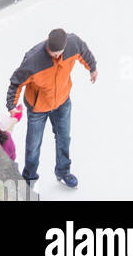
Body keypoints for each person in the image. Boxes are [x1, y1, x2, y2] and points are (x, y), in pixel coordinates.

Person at [6, 27, 98, 188]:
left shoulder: (73, 44)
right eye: (50, 52)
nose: (53, 55)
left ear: (64, 48)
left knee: (64, 138)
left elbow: (84, 52)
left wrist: (92, 68)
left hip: (62, 102)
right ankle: (29, 180)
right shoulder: (33, 59)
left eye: (57, 53)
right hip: (38, 108)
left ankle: (63, 172)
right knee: (33, 146)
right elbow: (16, 82)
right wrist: (11, 105)